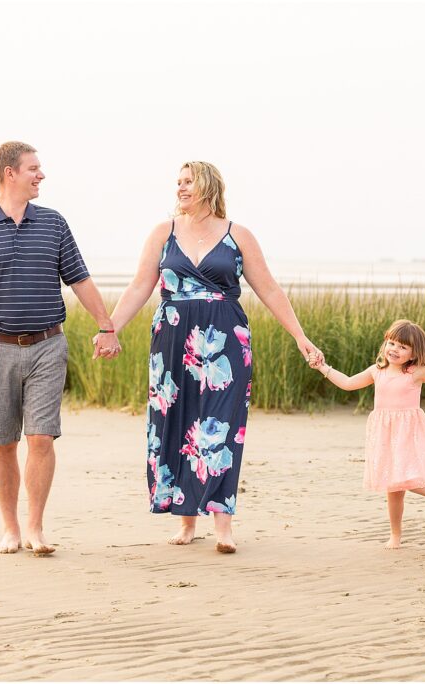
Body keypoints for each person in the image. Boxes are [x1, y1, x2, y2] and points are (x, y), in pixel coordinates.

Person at [106, 161, 323, 554]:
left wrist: (300, 336)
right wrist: (110, 328)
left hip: (226, 339)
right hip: (172, 341)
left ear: (207, 185)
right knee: (177, 422)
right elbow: (141, 285)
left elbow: (269, 290)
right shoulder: (163, 233)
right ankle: (186, 519)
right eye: (178, 182)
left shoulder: (238, 235)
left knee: (222, 424)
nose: (180, 189)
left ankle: (222, 523)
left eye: (187, 182)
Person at [0, 141, 119, 556]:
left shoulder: (54, 223)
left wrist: (106, 327)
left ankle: (36, 528)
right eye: (33, 168)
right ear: (9, 173)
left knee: (41, 438)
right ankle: (11, 530)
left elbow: (80, 280)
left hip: (47, 346)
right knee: (3, 442)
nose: (41, 175)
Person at [309, 320, 425, 549]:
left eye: (403, 347)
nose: (394, 349)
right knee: (393, 488)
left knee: (407, 478)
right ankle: (395, 535)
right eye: (391, 343)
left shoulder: (416, 372)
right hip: (384, 433)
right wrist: (323, 367)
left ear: (414, 353)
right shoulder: (377, 371)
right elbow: (347, 383)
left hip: (407, 432)